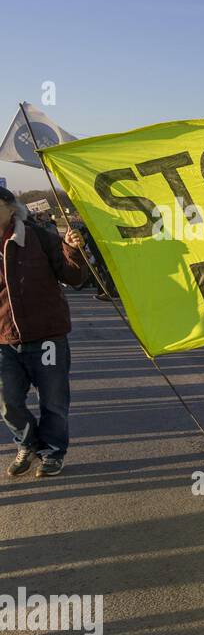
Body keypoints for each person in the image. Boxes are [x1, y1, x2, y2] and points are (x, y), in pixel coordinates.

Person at [0, 188, 87, 478]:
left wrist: (73, 249)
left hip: (47, 336)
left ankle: (52, 452)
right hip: (3, 340)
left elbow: (74, 277)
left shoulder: (38, 238)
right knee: (8, 403)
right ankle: (26, 444)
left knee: (53, 400)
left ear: (11, 209)